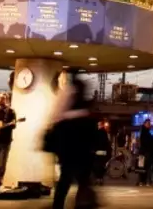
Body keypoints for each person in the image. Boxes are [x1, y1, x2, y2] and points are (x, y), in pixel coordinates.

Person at [48, 73, 98, 209]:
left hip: (69, 148)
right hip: (82, 150)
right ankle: (82, 203)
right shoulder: (86, 109)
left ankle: (58, 205)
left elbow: (56, 117)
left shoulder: (67, 96)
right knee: (82, 180)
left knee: (65, 179)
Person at [136, 118, 153, 186]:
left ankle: (141, 181)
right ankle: (146, 181)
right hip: (145, 152)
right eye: (148, 124)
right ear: (145, 124)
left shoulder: (144, 131)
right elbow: (147, 142)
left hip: (142, 152)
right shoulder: (145, 132)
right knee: (146, 167)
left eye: (150, 124)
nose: (149, 125)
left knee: (141, 167)